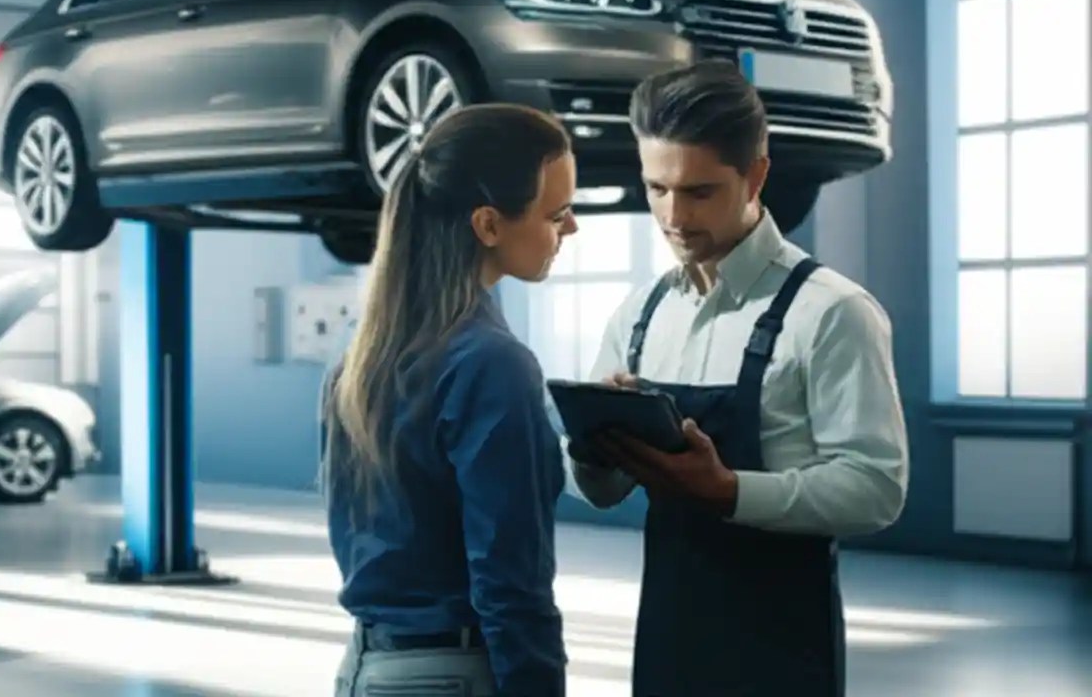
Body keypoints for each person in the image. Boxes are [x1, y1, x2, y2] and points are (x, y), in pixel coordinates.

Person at [567, 59, 909, 696]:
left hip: (781, 651)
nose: (673, 216)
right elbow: (599, 492)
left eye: (699, 192)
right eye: (656, 188)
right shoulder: (640, 315)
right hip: (666, 639)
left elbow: (876, 489)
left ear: (756, 176)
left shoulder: (833, 312)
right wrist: (593, 452)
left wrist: (728, 491)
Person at [319, 103, 579, 696]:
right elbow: (512, 585)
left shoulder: (356, 363)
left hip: (367, 670)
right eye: (557, 212)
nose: (571, 228)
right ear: (488, 225)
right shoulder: (495, 366)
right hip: (451, 677)